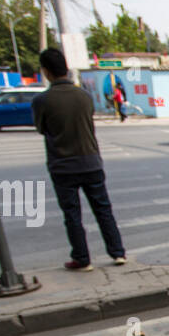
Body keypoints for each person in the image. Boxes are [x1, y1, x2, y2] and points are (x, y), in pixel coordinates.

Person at [31, 48, 127, 271]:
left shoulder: (42, 100)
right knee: (103, 209)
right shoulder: (84, 96)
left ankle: (82, 259)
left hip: (63, 165)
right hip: (91, 161)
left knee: (72, 215)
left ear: (46, 71)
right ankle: (118, 252)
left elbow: (40, 128)